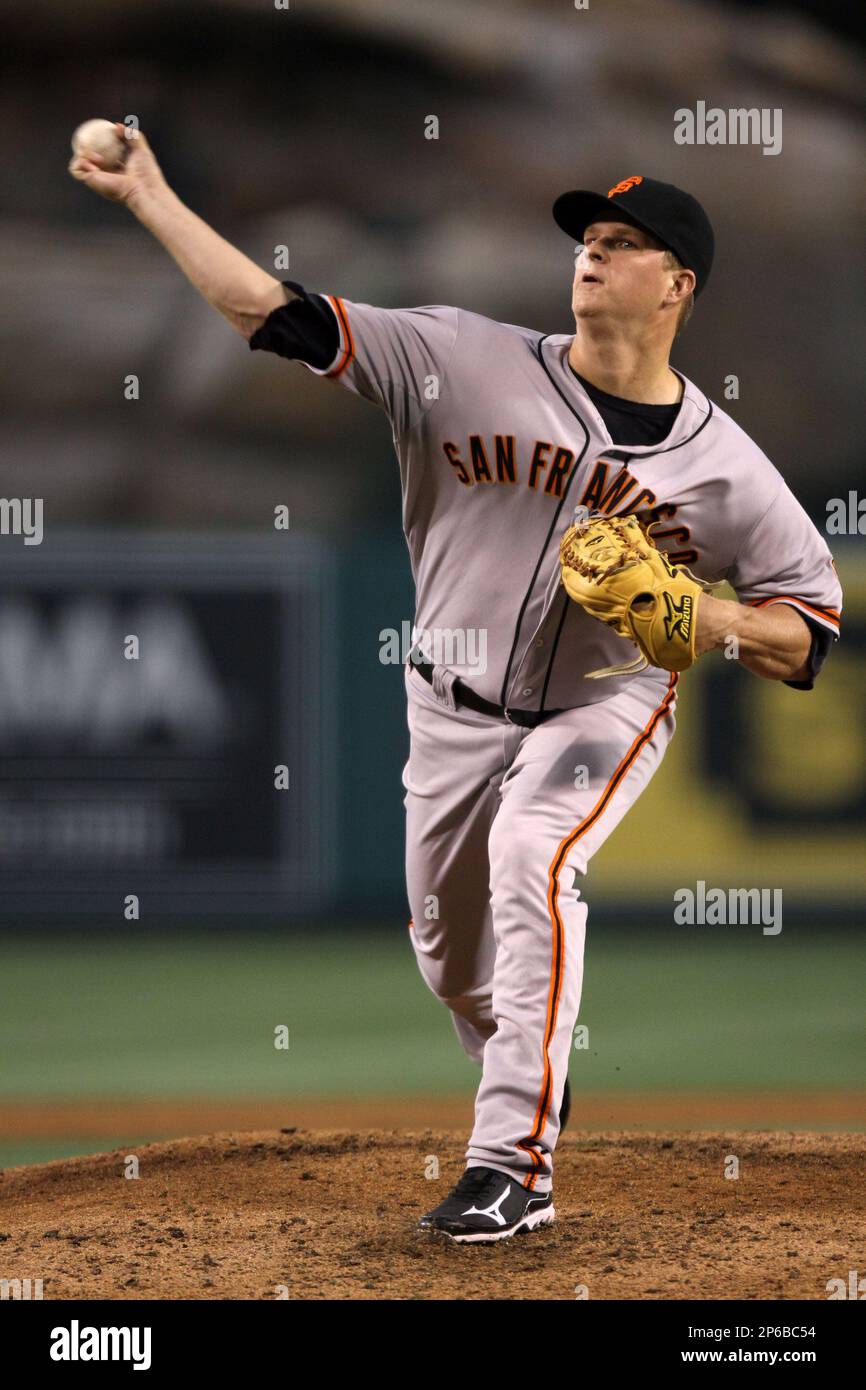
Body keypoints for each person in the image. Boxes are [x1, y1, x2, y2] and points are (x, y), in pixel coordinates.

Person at [71, 136, 842, 1244]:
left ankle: (511, 1166)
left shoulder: (726, 467)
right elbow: (271, 312)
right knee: (451, 963)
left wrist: (703, 615)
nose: (592, 253)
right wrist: (149, 196)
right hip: (448, 706)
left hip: (602, 704)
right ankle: (525, 1069)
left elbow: (808, 633)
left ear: (677, 286)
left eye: (624, 244)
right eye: (588, 236)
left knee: (536, 849)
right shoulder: (457, 355)